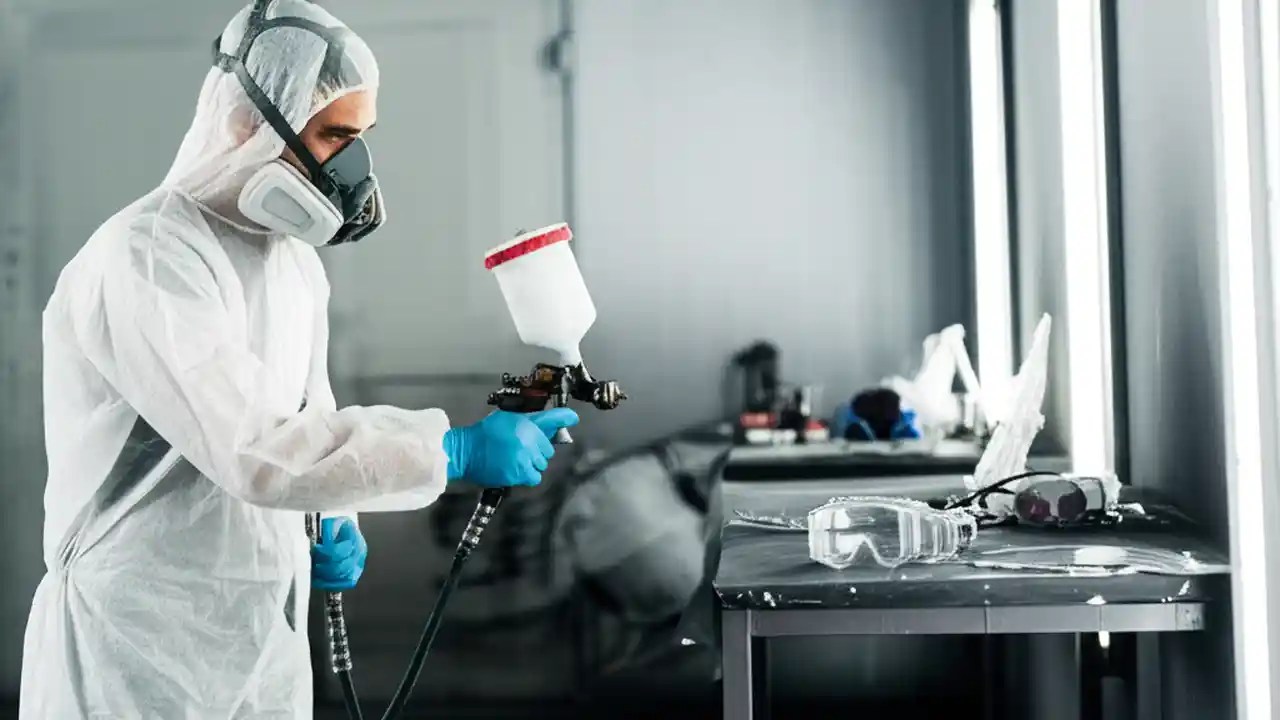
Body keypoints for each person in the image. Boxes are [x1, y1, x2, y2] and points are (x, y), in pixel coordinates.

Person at [19, 1, 578, 717]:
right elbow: (255, 446)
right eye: (334, 136)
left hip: (256, 635)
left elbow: (305, 421)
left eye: (362, 138)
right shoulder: (151, 256)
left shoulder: (292, 265)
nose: (352, 167)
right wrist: (452, 449)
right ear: (245, 126)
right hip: (137, 646)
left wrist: (332, 510)